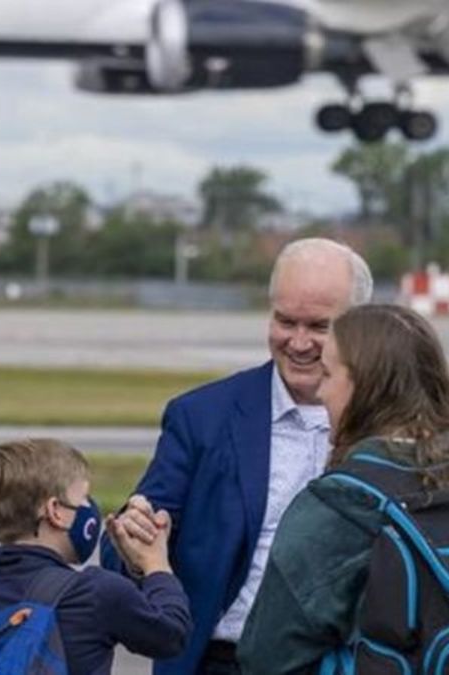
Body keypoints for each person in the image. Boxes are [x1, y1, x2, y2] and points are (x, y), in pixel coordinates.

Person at [237, 304, 449, 674]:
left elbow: (267, 656)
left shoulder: (339, 507)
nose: (320, 391)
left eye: (329, 374)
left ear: (363, 388)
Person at [102, 239, 374, 675]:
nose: (299, 342)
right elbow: (125, 550)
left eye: (319, 326)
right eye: (285, 321)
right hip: (220, 661)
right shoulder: (202, 417)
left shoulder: (388, 423)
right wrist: (132, 540)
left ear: (360, 327)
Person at [0, 438, 192, 675]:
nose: (89, 508)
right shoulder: (95, 592)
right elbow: (171, 635)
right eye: (83, 498)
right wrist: (156, 564)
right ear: (55, 511)